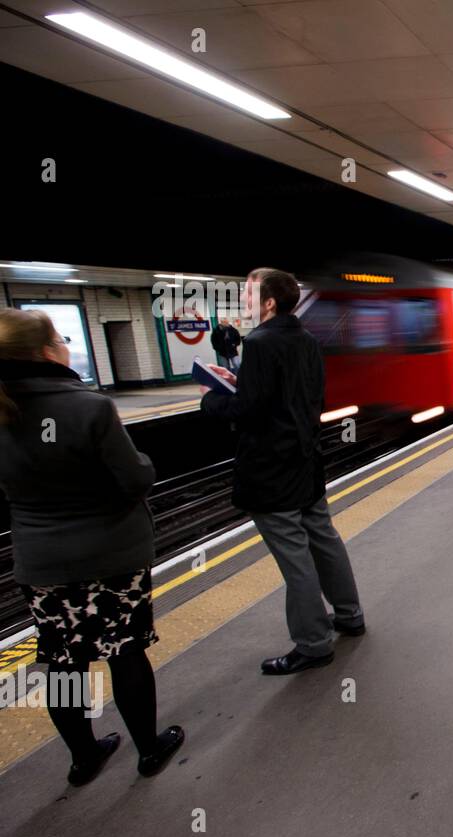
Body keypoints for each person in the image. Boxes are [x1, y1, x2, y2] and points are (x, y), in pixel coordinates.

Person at [0, 308, 184, 786]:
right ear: (46, 352)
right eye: (61, 338)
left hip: (41, 562)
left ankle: (83, 757)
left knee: (62, 660)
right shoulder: (90, 406)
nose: (65, 344)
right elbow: (135, 478)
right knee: (124, 650)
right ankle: (149, 750)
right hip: (112, 556)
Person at [198, 268, 365, 675]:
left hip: (272, 467)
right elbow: (292, 393)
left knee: (295, 557)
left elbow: (249, 411)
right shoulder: (305, 338)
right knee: (324, 538)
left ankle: (312, 644)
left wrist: (211, 400)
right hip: (306, 459)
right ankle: (349, 615)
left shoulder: (259, 342)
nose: (244, 300)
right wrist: (239, 379)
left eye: (250, 293)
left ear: (270, 302)